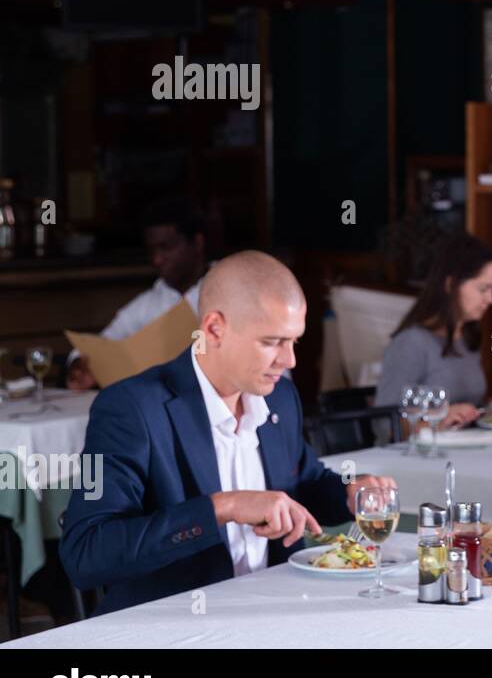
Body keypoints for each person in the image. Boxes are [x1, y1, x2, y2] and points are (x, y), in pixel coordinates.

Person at [59, 250, 396, 614]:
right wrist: (224, 507)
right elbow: (87, 553)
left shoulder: (280, 397)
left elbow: (304, 484)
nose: (289, 361)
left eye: (293, 342)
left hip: (276, 612)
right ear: (215, 328)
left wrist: (347, 493)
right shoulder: (129, 409)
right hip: (171, 624)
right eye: (271, 342)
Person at [66, 200, 209, 390]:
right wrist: (80, 365)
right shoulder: (147, 304)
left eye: (166, 247)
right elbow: (101, 344)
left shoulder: (230, 288)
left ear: (197, 243)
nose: (157, 259)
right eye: (152, 250)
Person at [375, 234, 492, 430]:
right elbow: (384, 424)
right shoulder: (412, 342)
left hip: (467, 450)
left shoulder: (468, 338)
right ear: (451, 285)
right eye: (483, 289)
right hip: (421, 456)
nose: (491, 299)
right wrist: (440, 418)